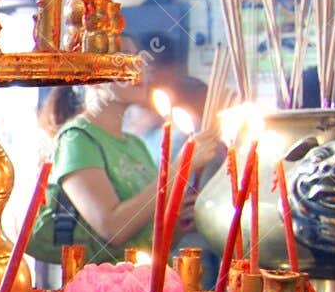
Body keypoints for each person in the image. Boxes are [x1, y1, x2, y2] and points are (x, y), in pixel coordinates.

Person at [34, 77, 215, 265]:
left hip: (149, 284)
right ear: (94, 79)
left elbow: (150, 243)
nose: (139, 70)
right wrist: (180, 168)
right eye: (124, 59)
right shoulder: (76, 139)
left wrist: (180, 221)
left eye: (137, 60)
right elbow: (113, 229)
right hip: (109, 287)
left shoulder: (135, 144)